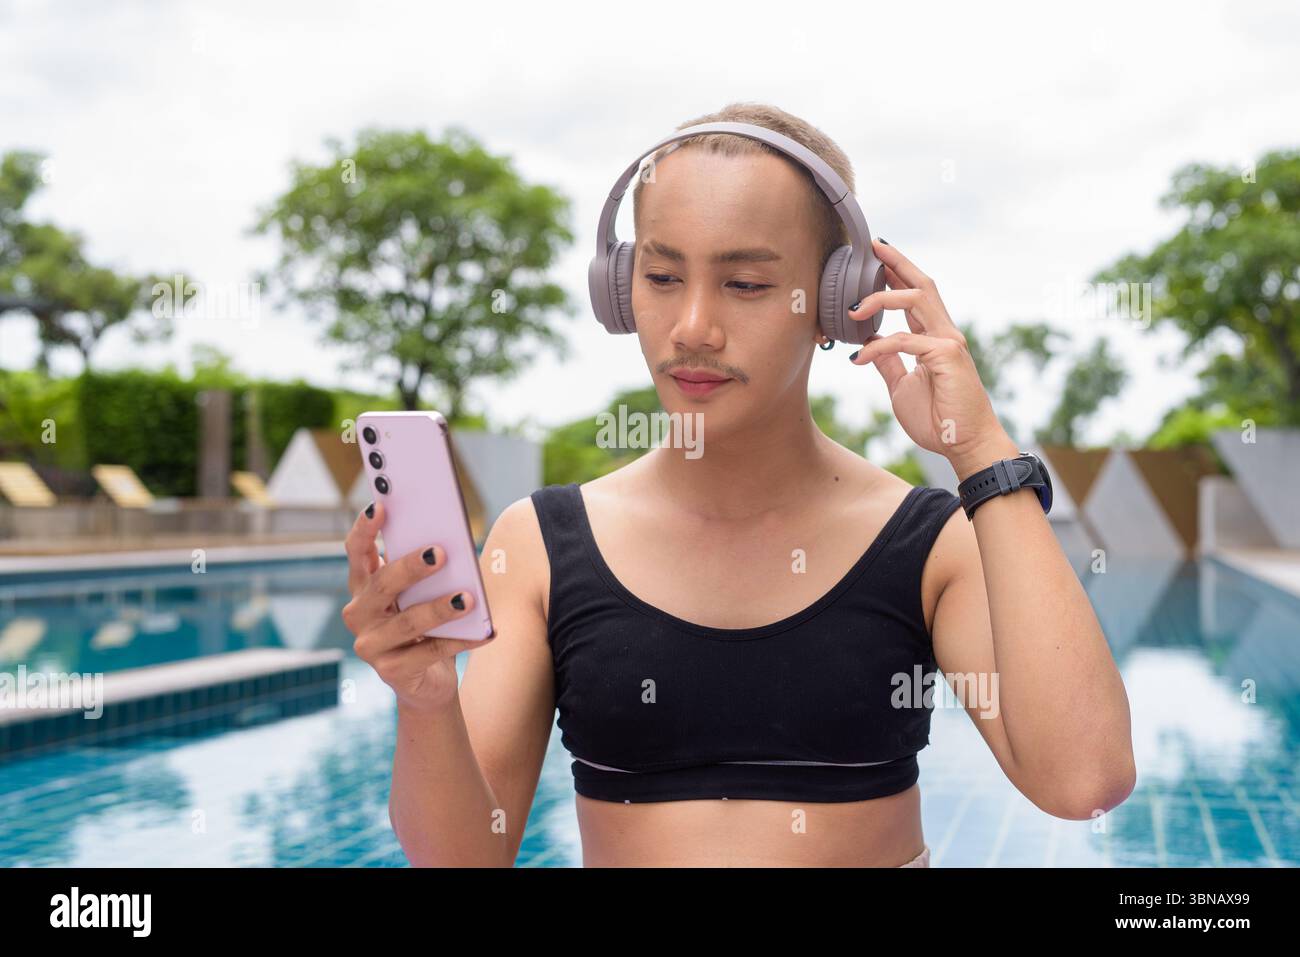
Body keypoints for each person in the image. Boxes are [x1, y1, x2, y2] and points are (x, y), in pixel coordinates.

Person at [341, 102, 1135, 868]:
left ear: (837, 302)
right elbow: (464, 856)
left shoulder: (929, 542)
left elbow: (1083, 780)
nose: (691, 326)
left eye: (746, 284)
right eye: (659, 275)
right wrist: (425, 700)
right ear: (619, 291)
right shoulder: (541, 545)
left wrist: (981, 453)